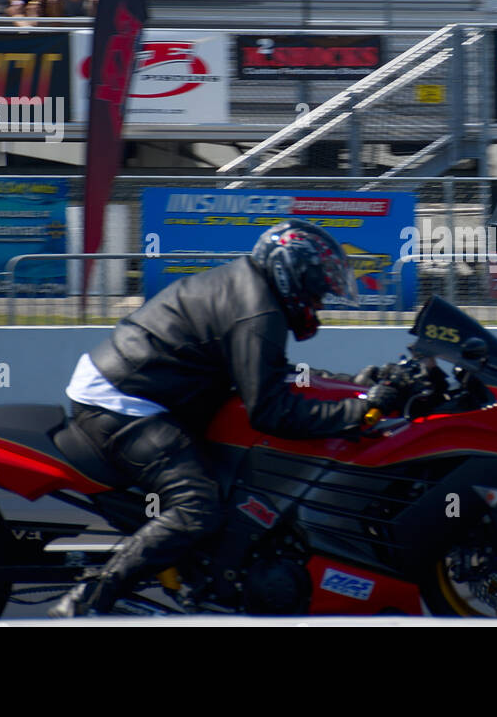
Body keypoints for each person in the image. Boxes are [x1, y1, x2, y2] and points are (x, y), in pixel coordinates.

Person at [50, 219, 403, 617]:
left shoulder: (252, 291)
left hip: (145, 391)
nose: (319, 302)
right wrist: (359, 411)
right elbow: (271, 411)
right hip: (122, 403)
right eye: (317, 290)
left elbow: (271, 373)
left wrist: (354, 384)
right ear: (292, 274)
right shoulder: (256, 311)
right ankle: (87, 602)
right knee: (197, 505)